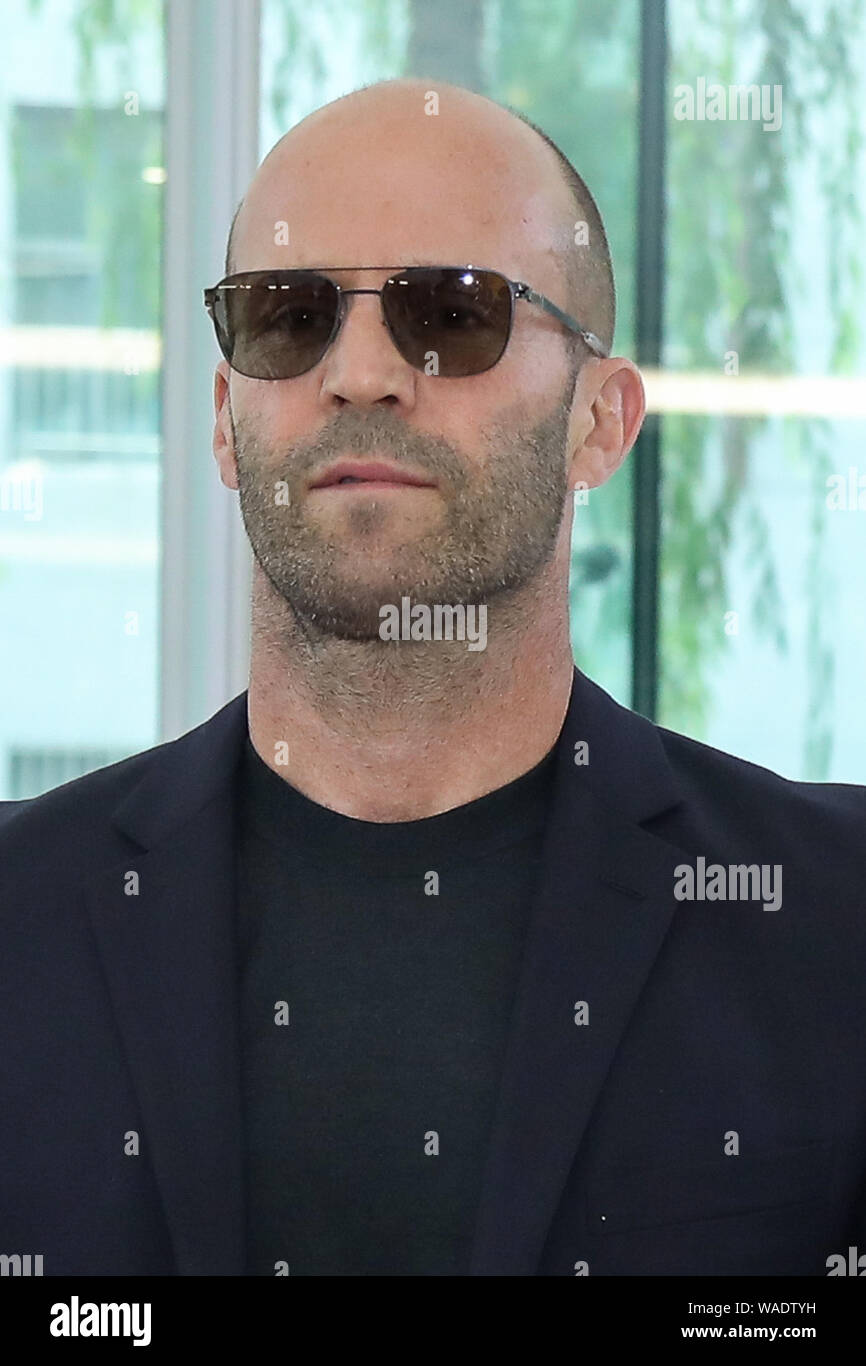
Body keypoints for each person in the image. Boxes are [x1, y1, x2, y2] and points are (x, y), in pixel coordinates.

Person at [1, 77, 864, 1278]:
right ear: (221, 416)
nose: (360, 373)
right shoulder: (19, 913)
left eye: (450, 313)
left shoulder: (831, 920)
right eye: (288, 316)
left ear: (600, 423)